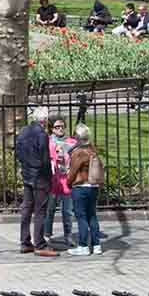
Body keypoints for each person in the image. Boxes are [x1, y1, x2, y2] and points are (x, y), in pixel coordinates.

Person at [15, 106, 57, 256]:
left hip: (27, 174)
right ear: (44, 120)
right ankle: (40, 243)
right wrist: (49, 176)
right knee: (40, 210)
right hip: (40, 177)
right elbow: (45, 159)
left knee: (26, 208)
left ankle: (25, 242)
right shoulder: (42, 135)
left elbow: (18, 153)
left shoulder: (24, 131)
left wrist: (27, 165)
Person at [66, 123, 103, 256]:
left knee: (81, 216)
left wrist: (68, 182)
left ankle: (83, 246)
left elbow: (73, 172)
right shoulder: (93, 150)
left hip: (80, 187)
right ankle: (96, 245)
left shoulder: (79, 152)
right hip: (93, 186)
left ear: (78, 137)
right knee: (92, 215)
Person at [45, 115, 76, 246]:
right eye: (57, 127)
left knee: (67, 211)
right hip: (52, 180)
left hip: (67, 180)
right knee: (49, 209)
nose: (60, 129)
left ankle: (68, 235)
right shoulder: (47, 141)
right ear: (52, 129)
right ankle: (47, 234)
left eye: (62, 127)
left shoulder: (72, 142)